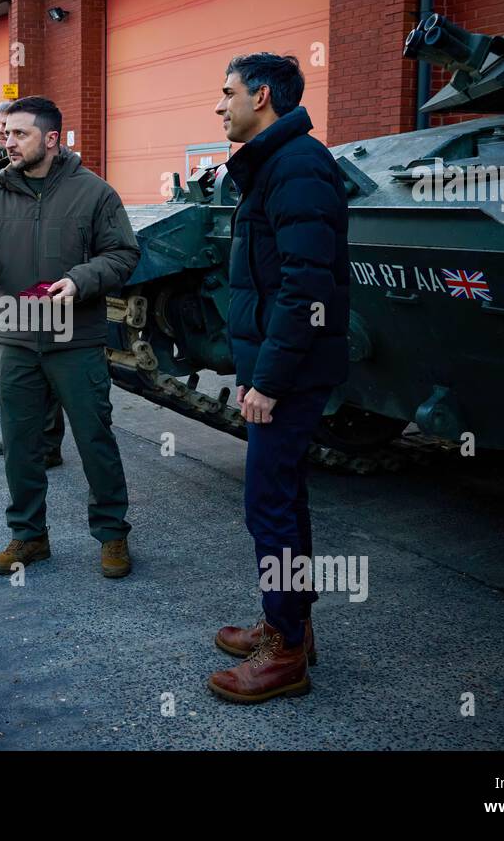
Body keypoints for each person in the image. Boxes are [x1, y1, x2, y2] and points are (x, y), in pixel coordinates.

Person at [0, 96, 140, 579]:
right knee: (20, 443)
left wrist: (81, 279)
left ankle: (112, 535)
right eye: (4, 135)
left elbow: (124, 254)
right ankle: (29, 536)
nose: (7, 142)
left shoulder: (94, 193)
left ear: (51, 139)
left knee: (94, 439)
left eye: (19, 135)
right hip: (16, 337)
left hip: (76, 340)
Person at [204, 53, 350, 705]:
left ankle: (285, 651)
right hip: (279, 365)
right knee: (284, 495)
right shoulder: (277, 165)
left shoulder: (296, 166)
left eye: (227, 92)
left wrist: (267, 379)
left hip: (290, 371)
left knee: (266, 498)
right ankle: (292, 623)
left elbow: (304, 287)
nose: (219, 105)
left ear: (261, 96)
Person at [0, 101, 64, 466]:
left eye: (10, 128)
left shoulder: (43, 171)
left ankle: (44, 445)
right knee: (5, 366)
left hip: (33, 287)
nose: (2, 133)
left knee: (40, 366)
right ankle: (18, 435)